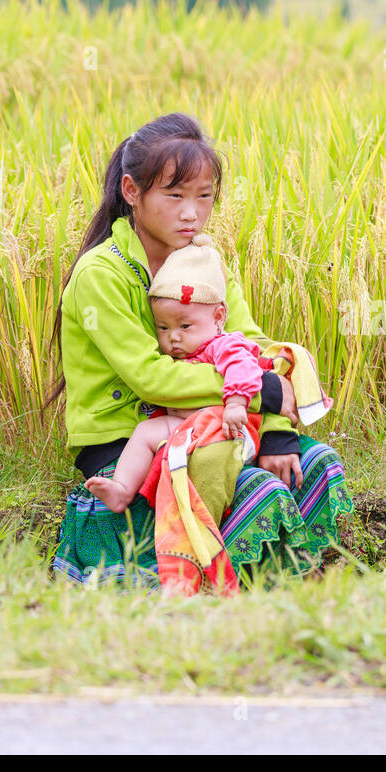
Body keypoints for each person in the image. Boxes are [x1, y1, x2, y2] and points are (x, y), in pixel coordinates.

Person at [43, 112, 352, 586]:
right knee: (259, 489)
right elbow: (151, 378)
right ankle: (214, 582)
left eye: (204, 197)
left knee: (315, 465)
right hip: (129, 442)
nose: (192, 213)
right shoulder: (101, 273)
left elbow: (250, 345)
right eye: (174, 195)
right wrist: (262, 393)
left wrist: (274, 430)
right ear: (131, 192)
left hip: (210, 424)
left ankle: (285, 586)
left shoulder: (206, 262)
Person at [83, 233, 266, 515]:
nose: (174, 338)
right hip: (184, 426)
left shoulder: (223, 344)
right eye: (164, 328)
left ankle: (208, 514)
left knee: (209, 461)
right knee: (145, 432)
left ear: (218, 318)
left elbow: (245, 367)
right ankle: (121, 490)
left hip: (221, 425)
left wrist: (235, 403)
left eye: (185, 326)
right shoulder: (179, 353)